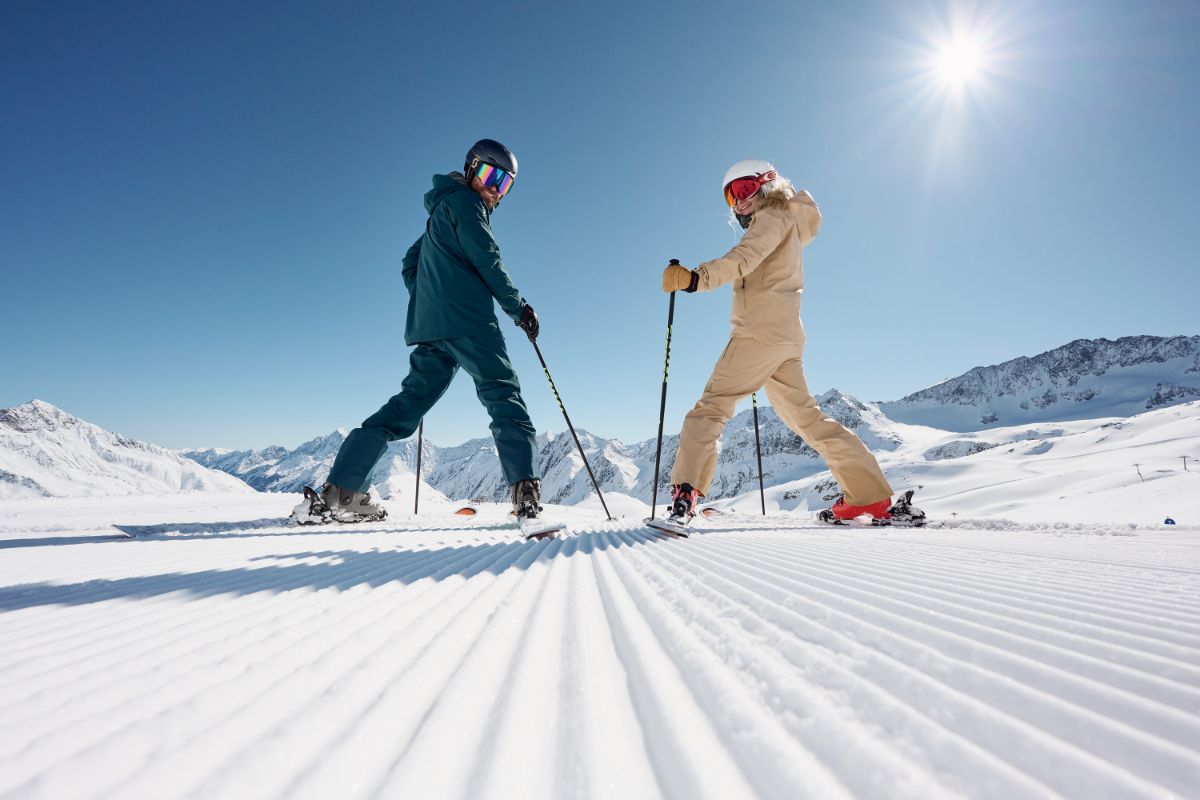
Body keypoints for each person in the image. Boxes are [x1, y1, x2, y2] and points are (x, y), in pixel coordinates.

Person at [293, 139, 545, 527]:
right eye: (488, 175)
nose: (494, 188)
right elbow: (488, 260)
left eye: (504, 182)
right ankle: (526, 494)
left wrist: (432, 298)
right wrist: (519, 307)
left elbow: (410, 264)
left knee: (405, 407)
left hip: (432, 328)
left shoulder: (440, 213)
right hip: (471, 322)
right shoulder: (467, 205)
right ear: (470, 169)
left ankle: (339, 492)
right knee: (502, 394)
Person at [659, 159, 922, 527]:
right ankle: (870, 496)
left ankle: (684, 496)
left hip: (758, 335)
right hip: (787, 339)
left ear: (767, 183)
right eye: (731, 196)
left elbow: (743, 258)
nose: (739, 202)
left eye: (745, 189)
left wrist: (694, 278)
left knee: (711, 409)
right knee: (809, 419)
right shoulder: (790, 223)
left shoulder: (772, 218)